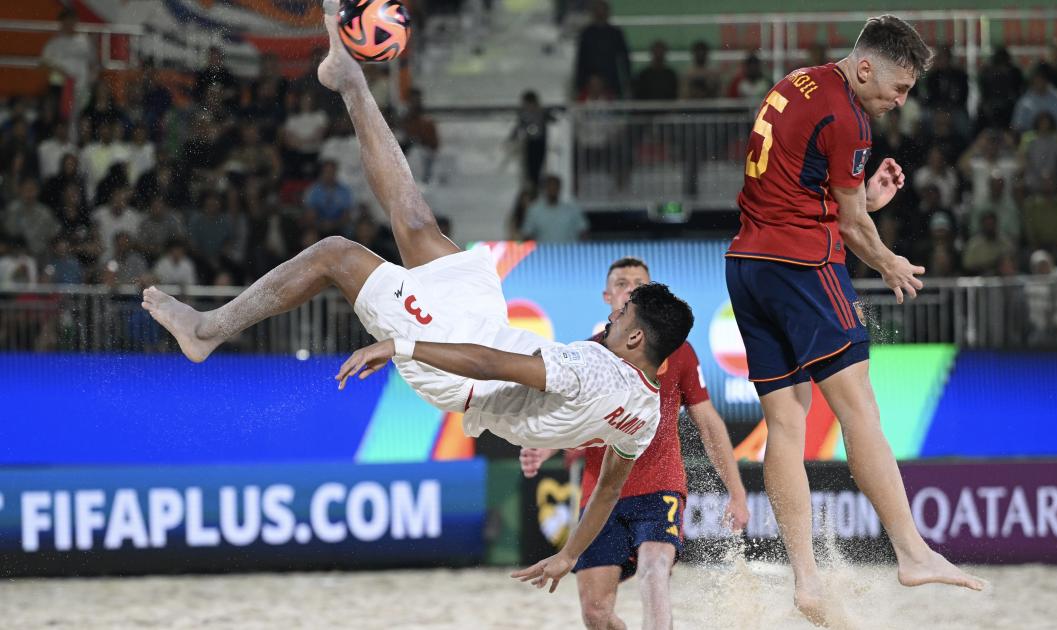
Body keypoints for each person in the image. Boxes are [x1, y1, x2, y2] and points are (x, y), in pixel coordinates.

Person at [141, 1, 695, 593]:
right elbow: (609, 487)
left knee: (336, 253)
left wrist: (401, 343)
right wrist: (567, 553)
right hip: (486, 337)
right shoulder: (643, 412)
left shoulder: (589, 366)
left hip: (463, 372)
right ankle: (351, 80)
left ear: (634, 336)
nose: (612, 312)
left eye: (621, 313)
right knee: (416, 222)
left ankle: (206, 332)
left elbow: (488, 364)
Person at [725, 15, 983, 624]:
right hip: (802, 268)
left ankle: (807, 580)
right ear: (865, 67)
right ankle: (912, 551)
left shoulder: (799, 84)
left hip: (748, 265)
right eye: (898, 88)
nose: (900, 101)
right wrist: (890, 260)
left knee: (785, 424)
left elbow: (802, 188)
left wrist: (864, 197)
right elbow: (849, 229)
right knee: (859, 409)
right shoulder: (850, 116)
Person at [519, 257, 750, 630]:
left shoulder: (678, 352)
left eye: (637, 284)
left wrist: (736, 493)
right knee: (596, 614)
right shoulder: (589, 355)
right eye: (622, 283)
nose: (629, 288)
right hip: (600, 494)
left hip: (660, 487)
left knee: (655, 572)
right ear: (608, 296)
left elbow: (707, 422)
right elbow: (573, 421)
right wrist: (546, 445)